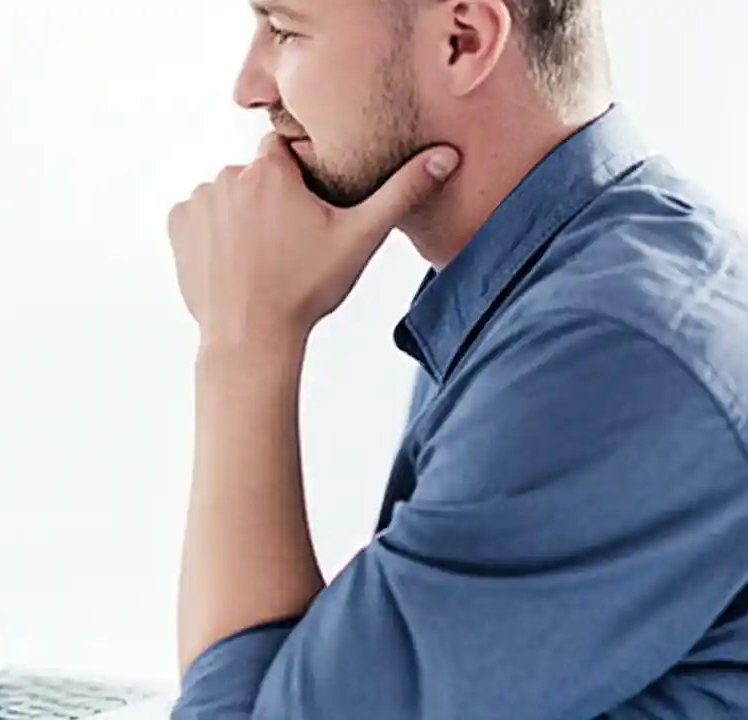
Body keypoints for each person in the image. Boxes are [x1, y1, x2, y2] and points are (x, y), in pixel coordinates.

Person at [165, 0, 748, 717]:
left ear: (462, 41)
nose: (250, 88)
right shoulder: (563, 285)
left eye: (284, 30)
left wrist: (243, 340)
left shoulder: (606, 356)